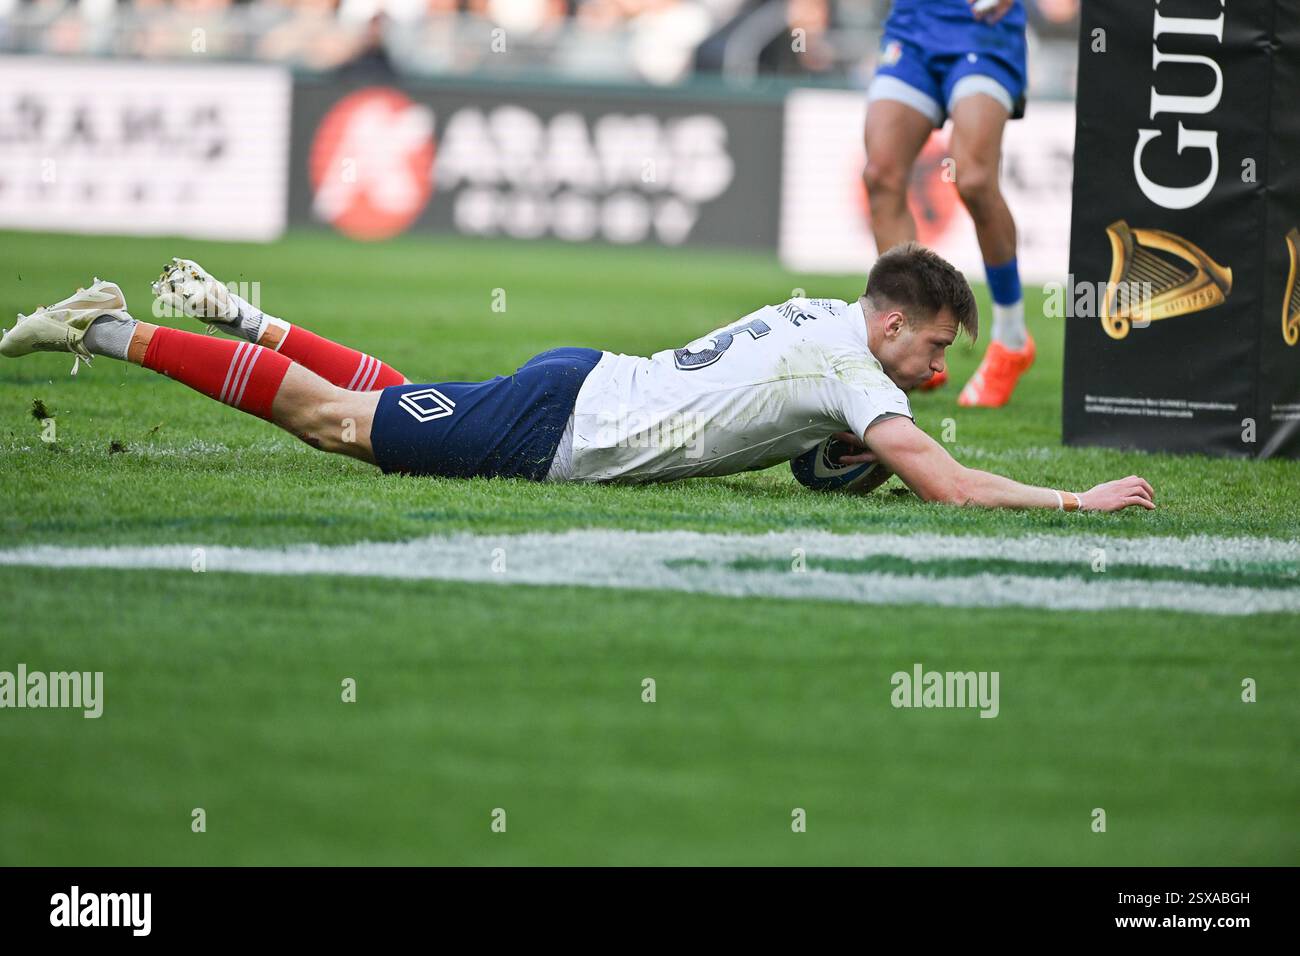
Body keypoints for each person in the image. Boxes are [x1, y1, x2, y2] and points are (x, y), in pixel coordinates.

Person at [0, 244, 1155, 512]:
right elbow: (943, 483)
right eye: (938, 344)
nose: (940, 364)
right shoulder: (857, 368)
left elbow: (813, 454)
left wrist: (840, 455)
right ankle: (104, 332)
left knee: (401, 398)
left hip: (582, 383)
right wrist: (1074, 500)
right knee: (345, 426)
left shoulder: (824, 313)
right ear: (892, 322)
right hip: (564, 429)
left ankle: (243, 312)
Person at [862, 0, 1034, 406]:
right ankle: (914, 340)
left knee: (973, 178)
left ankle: (1012, 339)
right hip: (915, 25)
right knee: (880, 174)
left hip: (982, 25)